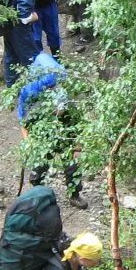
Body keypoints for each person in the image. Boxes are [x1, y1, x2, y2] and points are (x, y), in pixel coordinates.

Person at [17, 53, 87, 209]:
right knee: (42, 159)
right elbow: (23, 120)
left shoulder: (61, 83)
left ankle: (74, 193)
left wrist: (77, 143)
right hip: (42, 127)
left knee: (71, 160)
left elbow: (74, 117)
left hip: (64, 123)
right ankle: (36, 188)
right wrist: (29, 142)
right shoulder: (29, 92)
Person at [3, 0, 41, 86]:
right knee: (30, 57)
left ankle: (11, 86)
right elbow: (24, 17)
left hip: (7, 23)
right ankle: (37, 88)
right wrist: (35, 17)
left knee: (10, 56)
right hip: (19, 29)